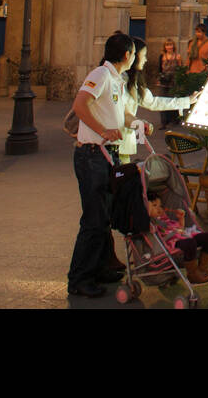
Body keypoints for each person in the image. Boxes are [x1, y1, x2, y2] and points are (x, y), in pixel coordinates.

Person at [67, 32, 136, 298]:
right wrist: (103, 130)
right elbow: (80, 105)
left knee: (104, 216)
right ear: (126, 55)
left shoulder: (115, 79)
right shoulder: (100, 75)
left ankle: (100, 267)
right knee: (94, 220)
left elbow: (116, 113)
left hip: (108, 155)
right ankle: (79, 278)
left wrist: (134, 124)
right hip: (92, 156)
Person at [121, 37, 199, 159]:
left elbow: (152, 102)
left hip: (121, 145)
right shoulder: (115, 79)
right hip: (110, 145)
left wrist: (187, 100)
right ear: (131, 56)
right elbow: (121, 115)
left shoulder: (132, 82)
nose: (146, 60)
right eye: (144, 55)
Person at [147, 191, 208, 284]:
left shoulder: (165, 219)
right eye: (154, 206)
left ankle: (202, 270)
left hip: (182, 236)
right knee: (190, 243)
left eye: (160, 206)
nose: (159, 209)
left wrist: (181, 219)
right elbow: (166, 234)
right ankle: (193, 275)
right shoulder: (151, 224)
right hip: (170, 242)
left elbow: (179, 229)